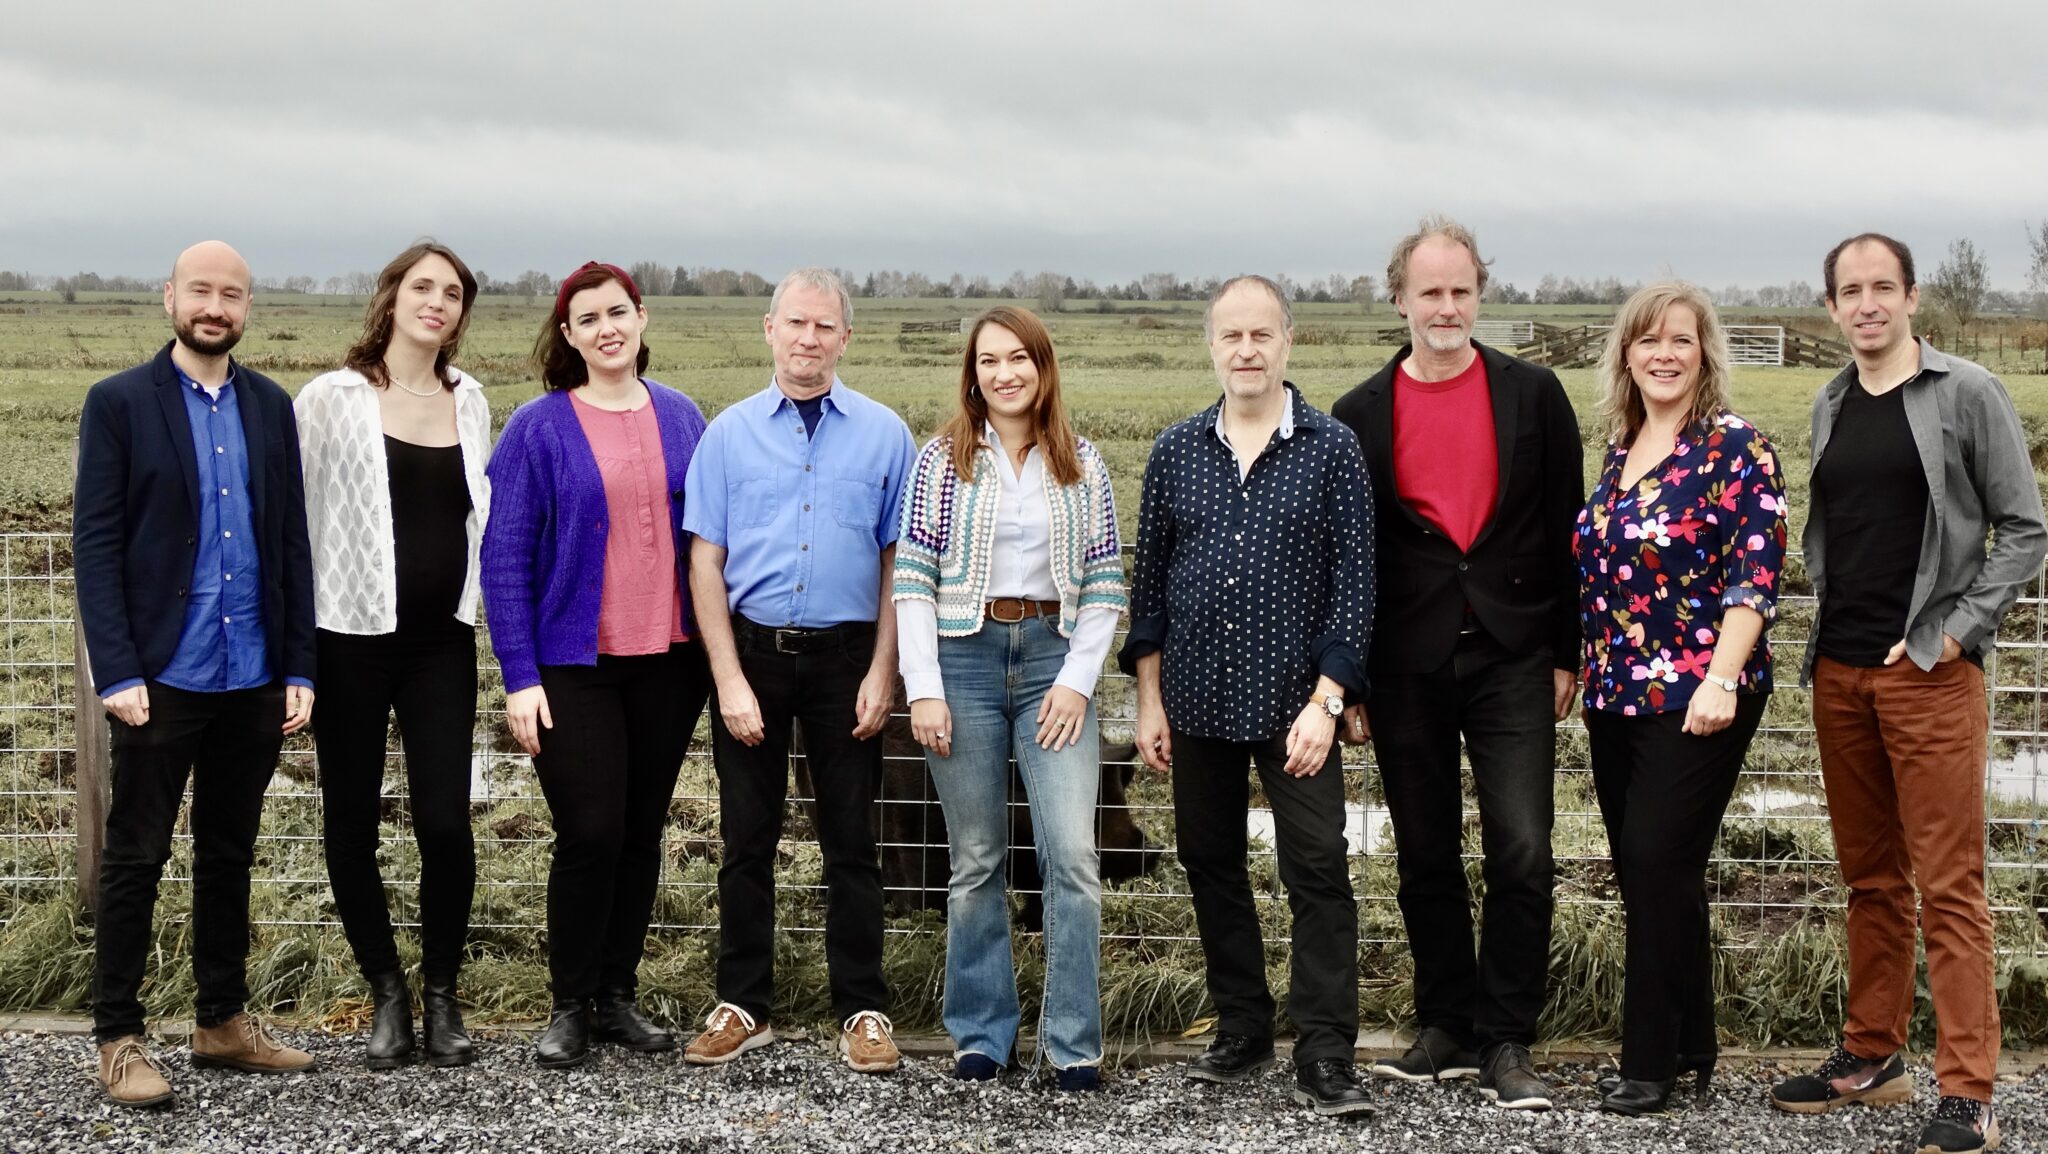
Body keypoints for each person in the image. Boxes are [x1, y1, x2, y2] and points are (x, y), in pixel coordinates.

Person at [1768, 233, 2045, 1154]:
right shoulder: (1831, 400)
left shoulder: (1964, 393)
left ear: (1913, 298)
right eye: (1850, 290)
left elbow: (2024, 528)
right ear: (1834, 306)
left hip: (1928, 677)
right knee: (1871, 881)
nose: (1867, 304)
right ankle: (1872, 1055)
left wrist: (1954, 635)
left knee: (1952, 888)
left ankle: (1969, 1091)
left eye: (1883, 287)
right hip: (1840, 675)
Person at [1330, 216, 1581, 1111]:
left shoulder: (1534, 395)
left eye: (1461, 290)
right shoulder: (1357, 415)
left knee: (1523, 846)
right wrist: (1349, 681)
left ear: (1481, 293)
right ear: (1399, 297)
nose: (1447, 307)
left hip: (1513, 650)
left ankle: (1508, 1038)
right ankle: (1447, 1023)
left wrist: (1566, 653)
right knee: (1424, 849)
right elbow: (1349, 559)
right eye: (1429, 292)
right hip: (1406, 660)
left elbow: (1565, 528)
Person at [1120, 275, 1376, 1118]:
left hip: (1297, 706)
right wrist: (1148, 701)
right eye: (1231, 336)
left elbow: (1355, 588)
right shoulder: (1175, 451)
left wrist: (1328, 700)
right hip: (1194, 701)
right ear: (1212, 346)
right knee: (1211, 862)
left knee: (1317, 869)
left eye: (1261, 335)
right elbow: (1148, 588)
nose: (1247, 350)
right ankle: (1242, 1023)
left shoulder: (1333, 450)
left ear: (1288, 342)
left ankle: (1326, 1047)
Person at [73, 241, 318, 1107]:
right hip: (160, 678)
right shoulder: (119, 405)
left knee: (228, 854)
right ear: (170, 296)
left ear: (248, 307)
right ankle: (118, 1035)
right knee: (135, 856)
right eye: (202, 291)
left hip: (251, 673)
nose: (216, 307)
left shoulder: (269, 406)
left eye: (233, 294)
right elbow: (95, 545)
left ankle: (221, 1023)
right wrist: (118, 669)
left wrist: (297, 663)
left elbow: (290, 540)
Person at [681, 267, 917, 1074]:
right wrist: (728, 679)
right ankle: (743, 1004)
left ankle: (862, 1010)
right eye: (795, 324)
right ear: (769, 329)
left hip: (848, 658)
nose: (808, 339)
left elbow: (898, 564)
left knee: (852, 840)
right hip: (753, 654)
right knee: (746, 838)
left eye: (824, 327)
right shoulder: (728, 435)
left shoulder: (886, 434)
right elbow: (705, 563)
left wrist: (884, 670)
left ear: (845, 338)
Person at [481, 261, 712, 1069]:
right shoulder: (538, 428)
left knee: (641, 833)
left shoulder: (684, 417)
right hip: (573, 663)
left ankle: (617, 994)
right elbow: (504, 556)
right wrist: (519, 674)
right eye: (589, 318)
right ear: (570, 335)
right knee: (590, 830)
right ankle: (569, 1003)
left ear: (642, 319)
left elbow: (712, 539)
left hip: (670, 663)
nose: (607, 327)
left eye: (619, 311)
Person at [893, 306, 1126, 1090]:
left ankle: (1071, 1041)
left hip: (1053, 662)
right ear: (972, 373)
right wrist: (922, 688)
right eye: (989, 360)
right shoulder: (940, 462)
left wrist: (1075, 680)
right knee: (978, 859)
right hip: (963, 661)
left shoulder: (1081, 463)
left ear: (1043, 367)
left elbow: (1102, 582)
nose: (1004, 373)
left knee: (1072, 855)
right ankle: (983, 1033)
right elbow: (914, 577)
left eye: (1019, 358)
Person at [1572, 283, 1786, 1115]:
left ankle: (1649, 1062)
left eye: (1682, 342)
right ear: (1626, 354)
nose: (1665, 354)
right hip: (1615, 691)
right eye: (1649, 341)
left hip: (1701, 693)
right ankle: (1695, 1041)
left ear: (1705, 355)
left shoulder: (1737, 448)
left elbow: (1755, 575)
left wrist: (1722, 679)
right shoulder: (1619, 447)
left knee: (1658, 863)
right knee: (1652, 870)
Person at [295, 240, 491, 1070]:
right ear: (392, 296)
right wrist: (291, 654)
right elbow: (292, 525)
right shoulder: (331, 399)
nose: (437, 302)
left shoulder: (471, 399)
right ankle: (387, 991)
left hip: (441, 641)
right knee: (350, 821)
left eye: (452, 292)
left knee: (446, 821)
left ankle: (442, 991)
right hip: (347, 639)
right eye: (423, 286)